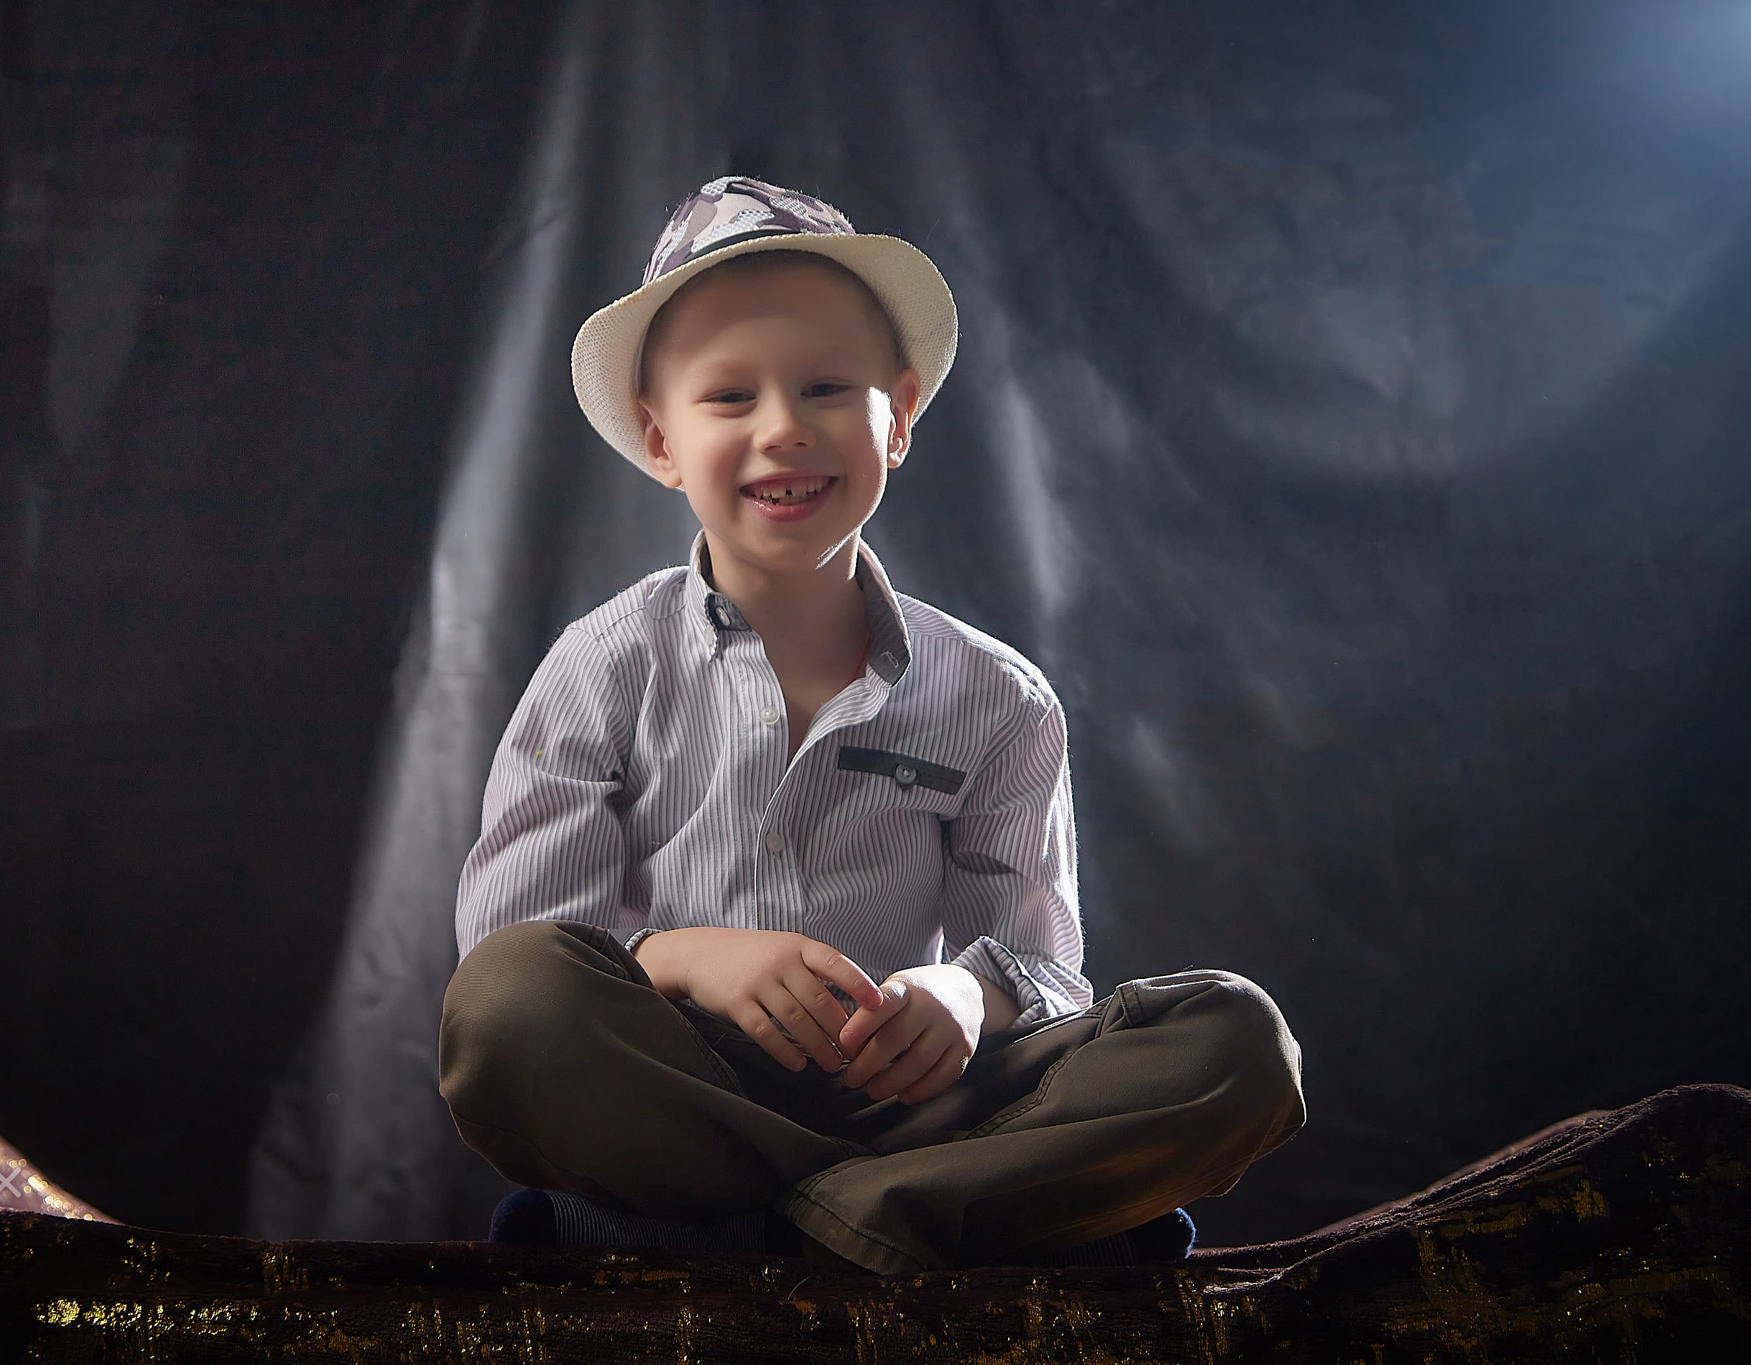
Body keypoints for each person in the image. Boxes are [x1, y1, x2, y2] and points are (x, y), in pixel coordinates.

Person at [438, 176, 1304, 1275]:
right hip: (673, 1092)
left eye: (825, 388)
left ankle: (818, 1211)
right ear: (659, 441)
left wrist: (964, 991)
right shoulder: (601, 668)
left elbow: (1042, 965)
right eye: (728, 398)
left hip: (912, 1105)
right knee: (510, 1009)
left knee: (1233, 1045)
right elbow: (514, 950)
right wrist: (685, 958)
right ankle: (908, 1218)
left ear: (897, 416)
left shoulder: (996, 696)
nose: (783, 430)